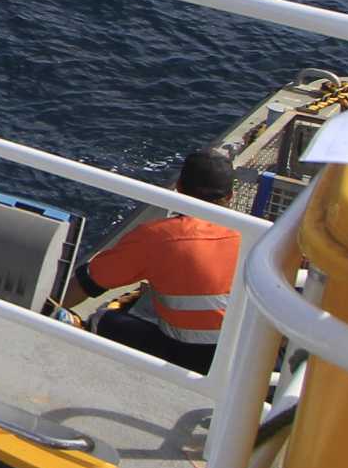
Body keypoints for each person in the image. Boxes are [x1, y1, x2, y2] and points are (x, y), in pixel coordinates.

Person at [80, 148, 242, 373]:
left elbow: (89, 282)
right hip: (239, 357)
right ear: (230, 196)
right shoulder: (253, 237)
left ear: (179, 189)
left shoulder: (158, 237)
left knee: (102, 319)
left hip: (187, 357)